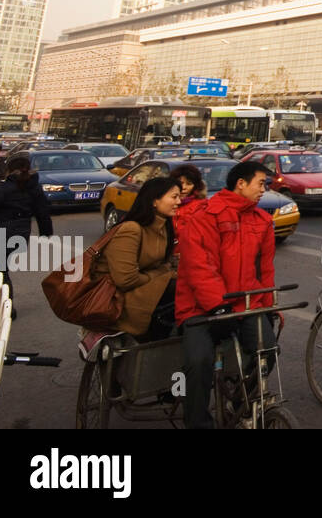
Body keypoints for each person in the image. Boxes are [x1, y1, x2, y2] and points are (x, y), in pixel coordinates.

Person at [177, 160, 279, 430]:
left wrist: (269, 307)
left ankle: (240, 400)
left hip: (245, 305)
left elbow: (265, 271)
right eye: (260, 183)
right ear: (241, 184)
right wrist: (217, 306)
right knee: (198, 363)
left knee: (268, 349)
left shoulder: (262, 220)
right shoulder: (205, 214)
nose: (263, 190)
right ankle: (198, 423)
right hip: (200, 307)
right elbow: (199, 266)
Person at [94, 176, 180, 340]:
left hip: (141, 288)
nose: (179, 202)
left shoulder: (163, 227)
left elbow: (163, 264)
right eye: (174, 197)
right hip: (117, 299)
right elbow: (125, 279)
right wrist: (160, 275)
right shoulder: (131, 229)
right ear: (154, 201)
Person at [0, 155, 53, 318]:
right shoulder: (34, 188)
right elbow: (42, 212)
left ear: (10, 170)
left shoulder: (5, 188)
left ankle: (8, 309)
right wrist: (46, 232)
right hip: (19, 235)